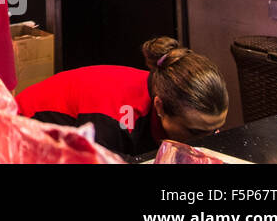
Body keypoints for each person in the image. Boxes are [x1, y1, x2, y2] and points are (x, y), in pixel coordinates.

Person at [16, 37, 229, 155]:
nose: (209, 140)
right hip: (18, 142)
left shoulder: (166, 88)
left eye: (215, 129)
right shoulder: (113, 118)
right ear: (160, 107)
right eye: (196, 132)